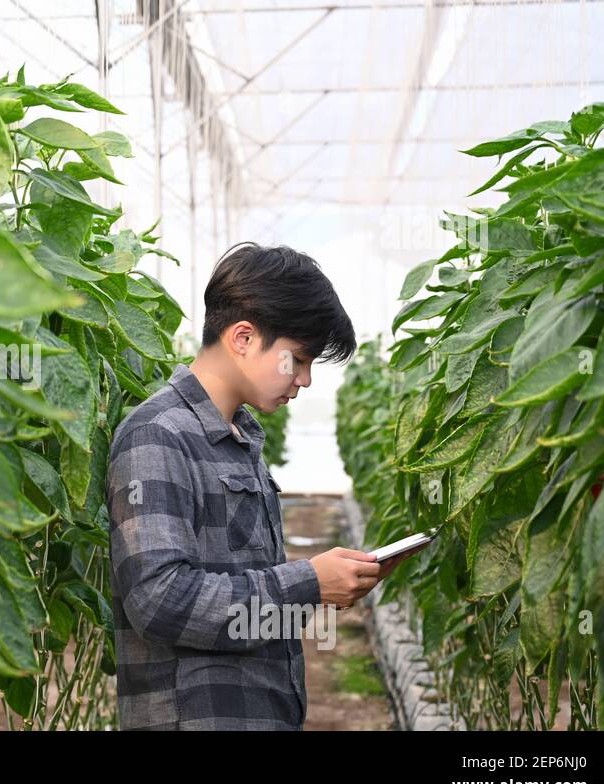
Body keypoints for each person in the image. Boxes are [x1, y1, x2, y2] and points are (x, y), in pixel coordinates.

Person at [105, 241, 405, 730]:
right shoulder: (158, 434)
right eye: (298, 360)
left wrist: (320, 586)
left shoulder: (239, 438)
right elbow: (159, 600)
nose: (305, 380)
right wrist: (308, 583)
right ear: (243, 337)